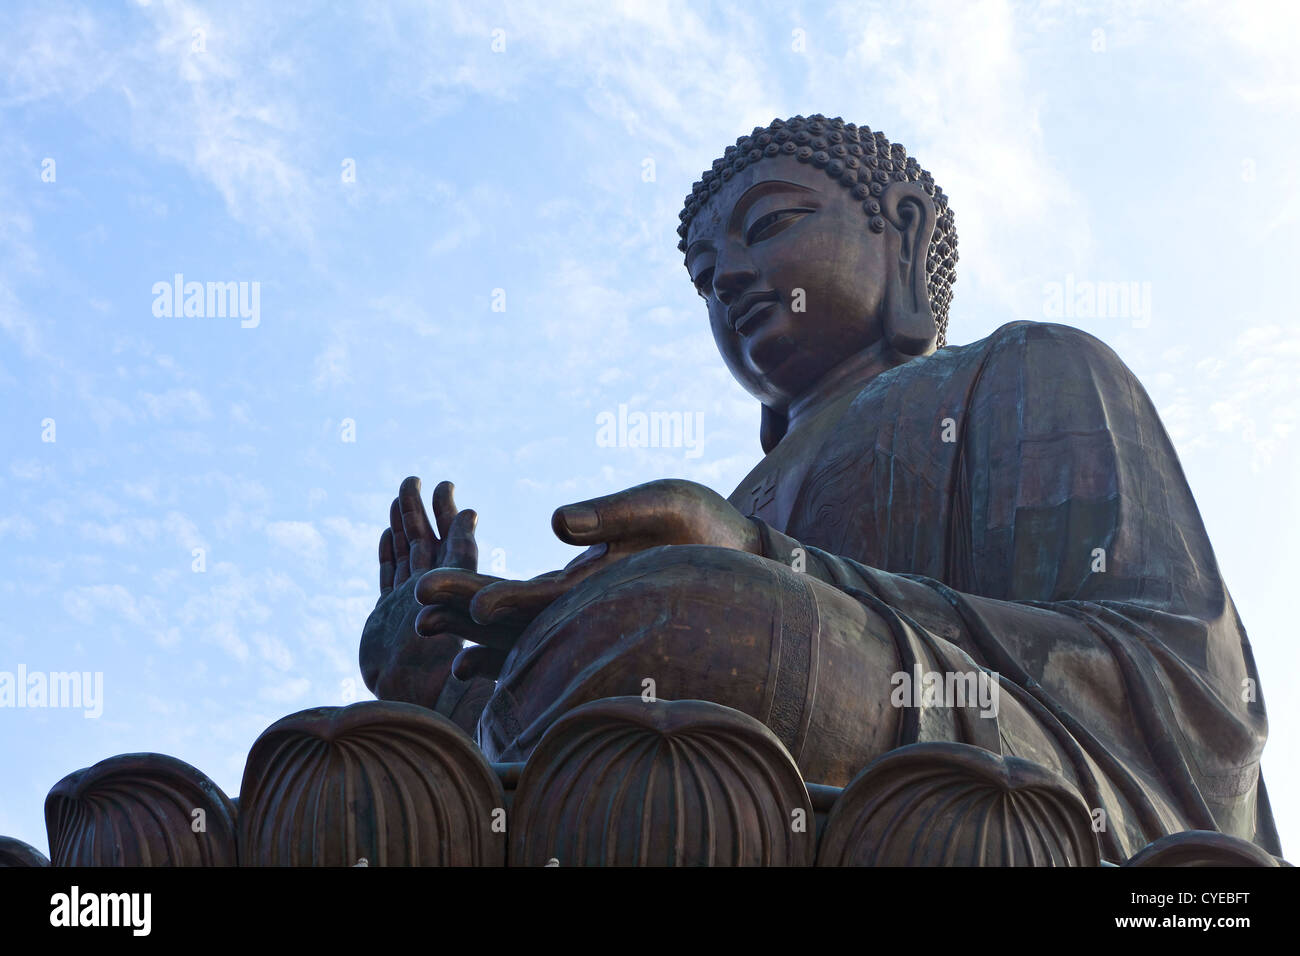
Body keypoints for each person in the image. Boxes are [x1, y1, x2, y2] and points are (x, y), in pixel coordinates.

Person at [359, 115, 1279, 862]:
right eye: (708, 278)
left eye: (769, 227)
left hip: (1019, 791)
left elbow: (1189, 697)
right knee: (366, 774)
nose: (736, 284)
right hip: (710, 782)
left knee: (685, 614)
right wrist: (441, 695)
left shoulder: (1028, 367)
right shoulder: (744, 495)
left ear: (906, 233)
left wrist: (762, 565)